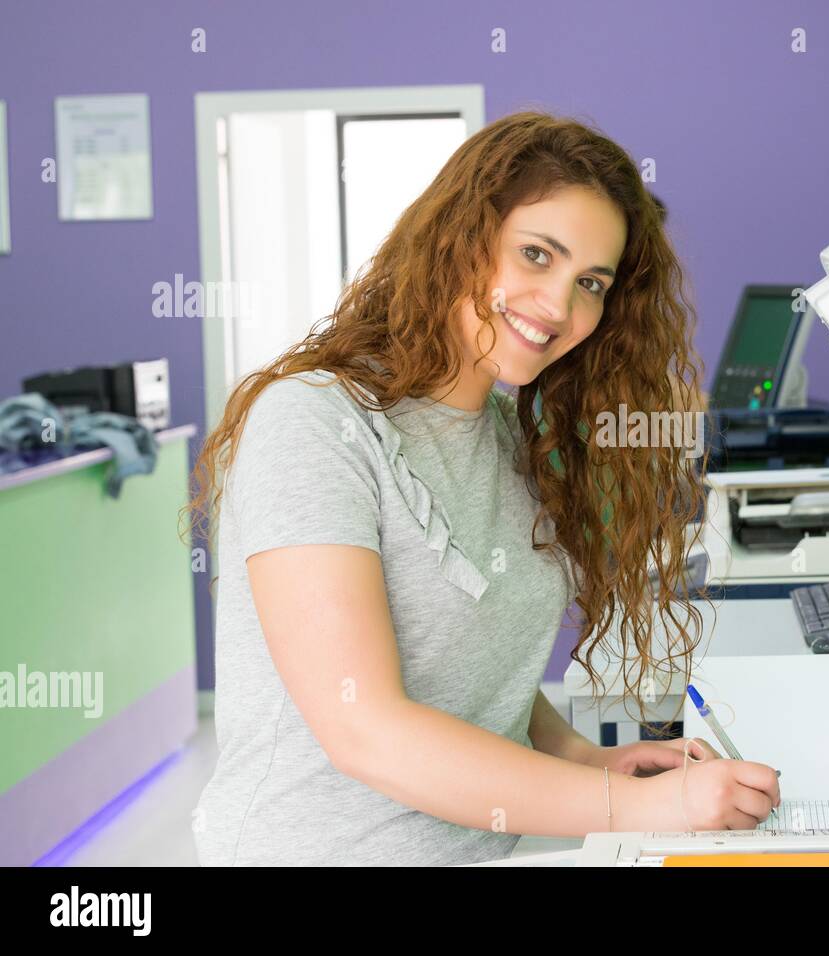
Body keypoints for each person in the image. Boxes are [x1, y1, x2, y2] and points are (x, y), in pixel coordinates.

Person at [186, 111, 779, 865]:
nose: (561, 307)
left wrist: (582, 758)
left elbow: (467, 659)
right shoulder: (311, 424)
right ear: (460, 238)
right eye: (536, 254)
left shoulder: (508, 432)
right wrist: (637, 806)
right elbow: (364, 726)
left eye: (589, 282)